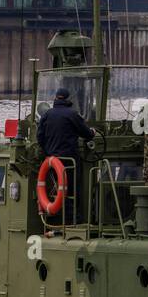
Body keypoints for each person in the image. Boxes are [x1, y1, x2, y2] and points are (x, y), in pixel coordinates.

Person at [36, 87, 94, 221]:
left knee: (57, 189)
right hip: (69, 160)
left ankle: (55, 217)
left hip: (52, 160)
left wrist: (48, 153)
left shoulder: (47, 115)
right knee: (73, 189)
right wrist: (92, 133)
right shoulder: (72, 114)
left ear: (55, 98)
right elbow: (86, 133)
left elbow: (40, 137)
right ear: (68, 99)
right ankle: (74, 218)